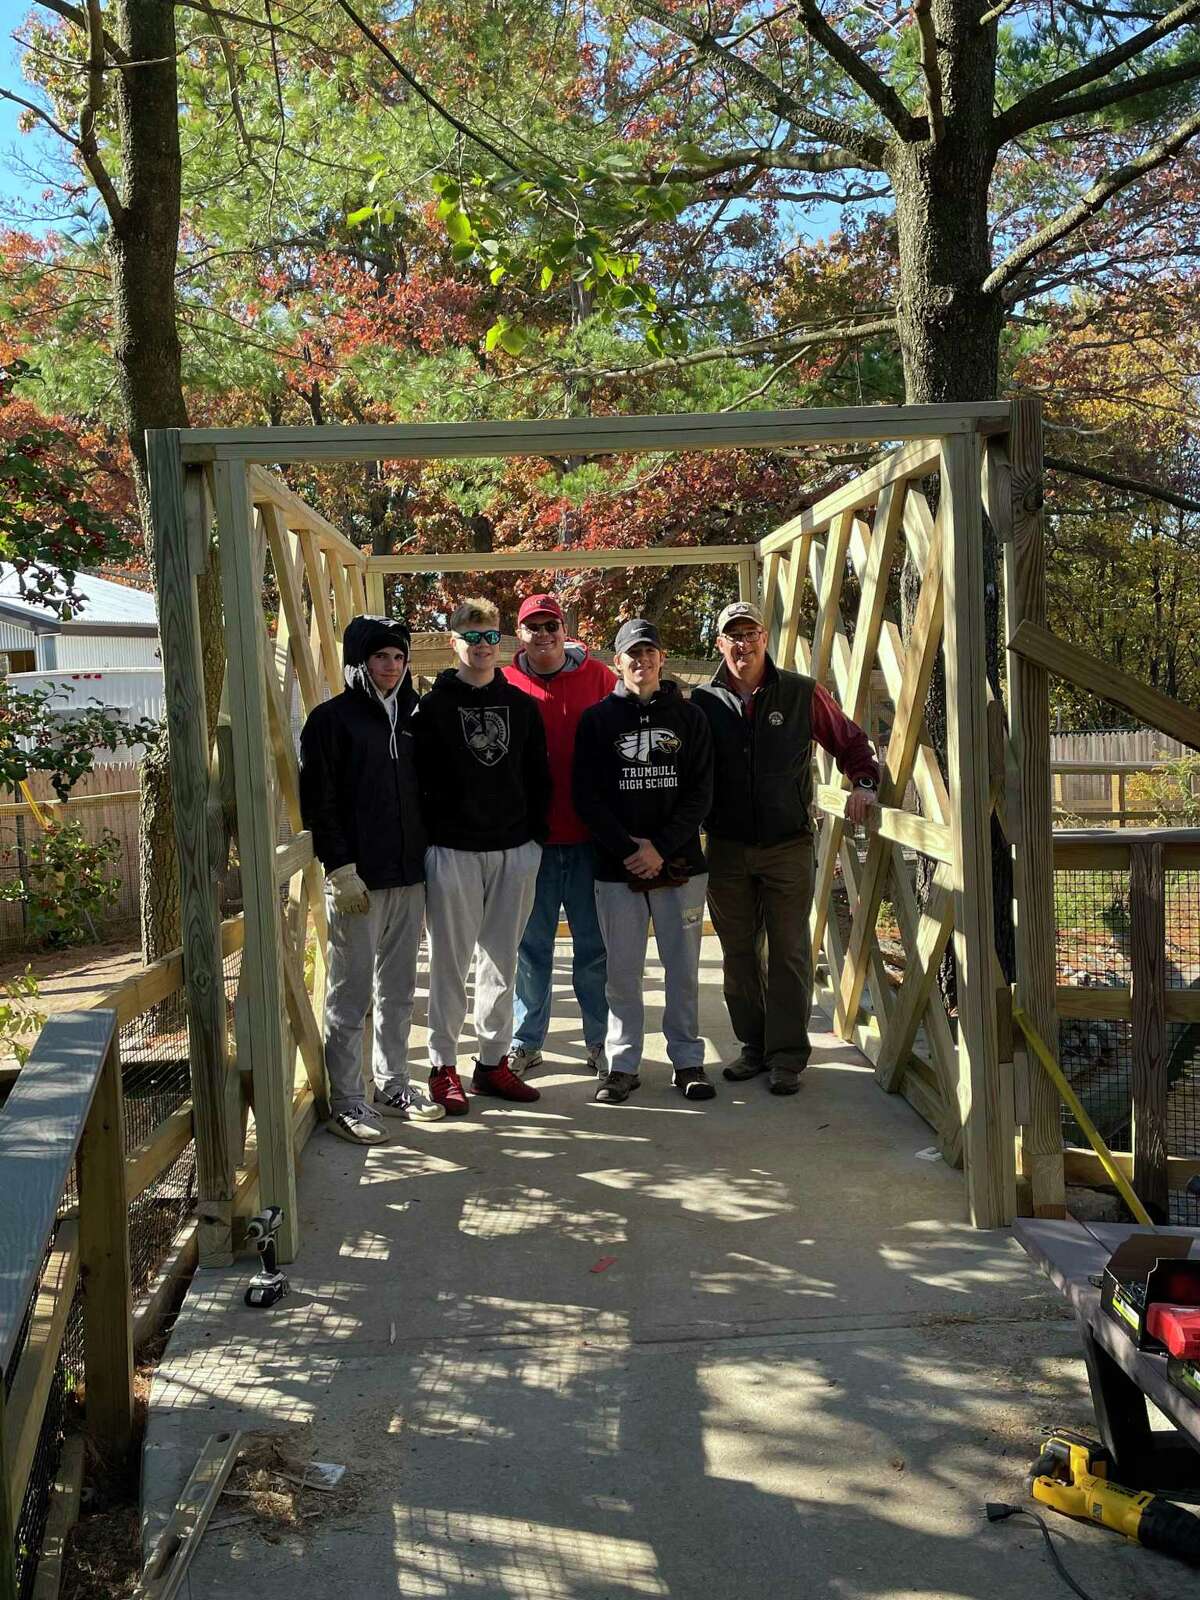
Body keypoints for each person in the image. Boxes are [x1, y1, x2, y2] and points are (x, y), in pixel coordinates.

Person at [691, 600, 880, 1097]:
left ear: (764, 638)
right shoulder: (702, 702)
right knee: (738, 952)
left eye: (750, 633)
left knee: (790, 951)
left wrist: (863, 783)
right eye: (733, 635)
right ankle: (753, 1047)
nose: (743, 643)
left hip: (788, 843)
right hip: (727, 845)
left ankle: (787, 1056)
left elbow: (849, 740)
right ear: (720, 643)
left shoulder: (800, 692)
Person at [298, 615, 445, 1144]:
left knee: (400, 991)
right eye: (381, 656)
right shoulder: (330, 721)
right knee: (350, 995)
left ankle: (392, 1084)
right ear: (359, 662)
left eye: (399, 657)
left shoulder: (414, 716)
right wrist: (339, 868)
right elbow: (319, 801)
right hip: (357, 881)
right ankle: (347, 1100)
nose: (392, 666)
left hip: (408, 876)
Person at [413, 597, 550, 1114]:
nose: (483, 646)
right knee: (449, 962)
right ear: (454, 642)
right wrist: (429, 842)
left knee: (502, 961)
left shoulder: (521, 705)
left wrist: (533, 840)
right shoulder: (431, 708)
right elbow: (416, 782)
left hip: (514, 849)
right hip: (452, 850)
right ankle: (442, 1065)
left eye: (491, 636)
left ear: (501, 641)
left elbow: (539, 776)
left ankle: (493, 1063)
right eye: (472, 637)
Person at [573, 618, 715, 1105]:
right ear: (617, 662)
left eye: (649, 651)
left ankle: (687, 1060)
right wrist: (629, 849)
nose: (642, 660)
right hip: (618, 869)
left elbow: (701, 793)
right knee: (621, 972)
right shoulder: (596, 721)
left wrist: (660, 848)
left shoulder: (690, 718)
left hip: (680, 867)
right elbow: (586, 797)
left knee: (683, 969)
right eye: (632, 653)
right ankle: (622, 1064)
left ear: (661, 658)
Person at [502, 594, 616, 1077]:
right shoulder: (505, 682)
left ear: (565, 630)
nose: (544, 634)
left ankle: (600, 1041)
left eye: (552, 625)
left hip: (591, 838)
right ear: (520, 633)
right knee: (531, 948)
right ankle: (526, 1041)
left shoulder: (601, 678)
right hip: (533, 841)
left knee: (594, 947)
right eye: (534, 626)